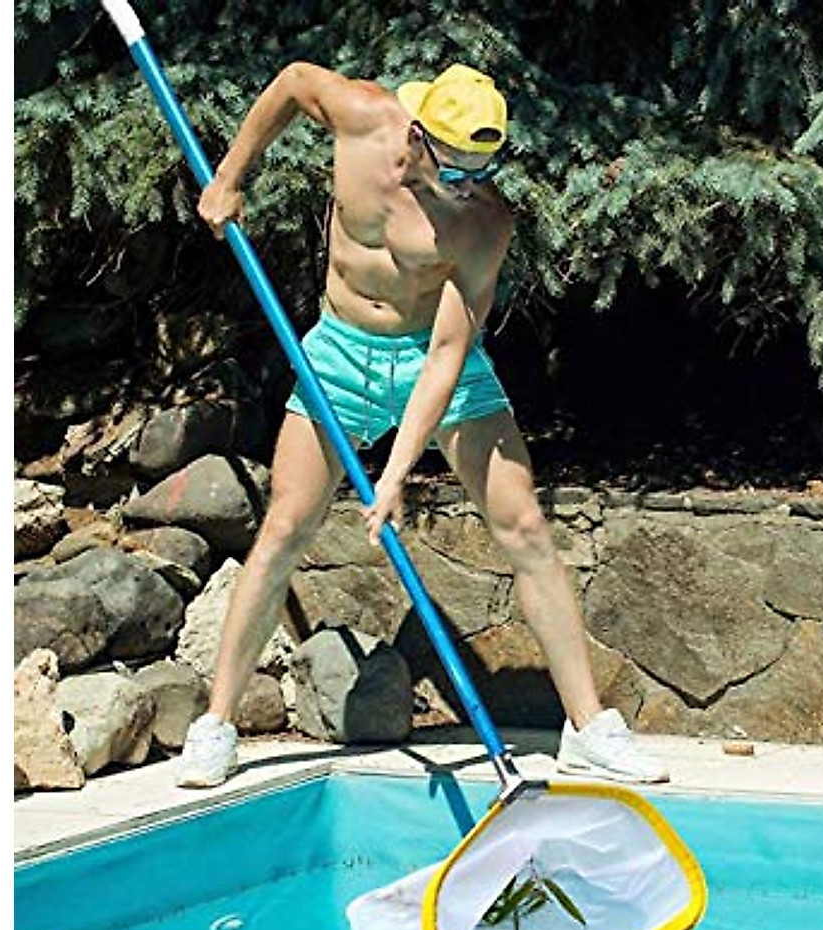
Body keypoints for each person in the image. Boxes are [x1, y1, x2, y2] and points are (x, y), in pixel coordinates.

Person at [176, 61, 668, 788]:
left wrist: (397, 473)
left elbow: (445, 356)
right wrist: (229, 177)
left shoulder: (484, 222)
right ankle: (215, 726)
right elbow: (291, 82)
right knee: (285, 528)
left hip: (433, 359)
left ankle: (589, 728)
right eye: (456, 168)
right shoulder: (360, 118)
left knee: (526, 528)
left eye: (484, 169)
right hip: (339, 353)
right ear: (416, 135)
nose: (470, 184)